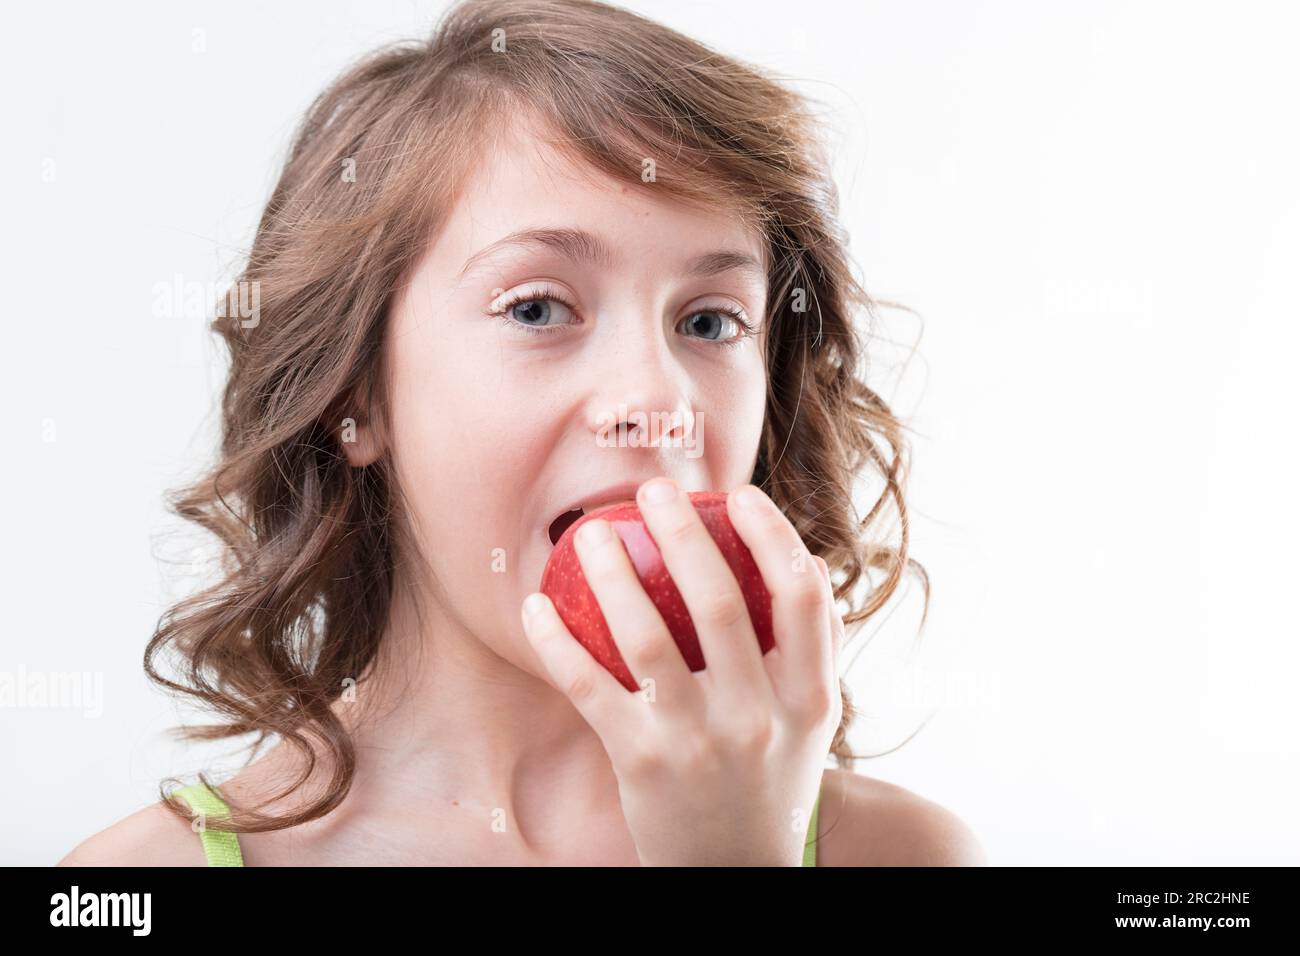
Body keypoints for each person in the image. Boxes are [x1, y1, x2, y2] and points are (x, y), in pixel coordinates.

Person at [58, 0, 985, 867]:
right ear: (356, 398)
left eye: (709, 322)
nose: (657, 399)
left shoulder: (900, 850)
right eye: (538, 307)